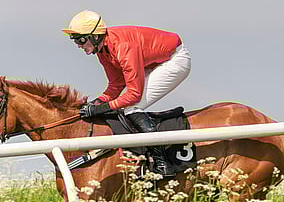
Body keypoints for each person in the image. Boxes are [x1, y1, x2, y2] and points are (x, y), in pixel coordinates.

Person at [62, 10, 191, 175]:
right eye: (76, 41)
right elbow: (115, 85)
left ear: (95, 36)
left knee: (131, 107)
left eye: (81, 40)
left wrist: (103, 108)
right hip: (155, 62)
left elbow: (133, 95)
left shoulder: (122, 47)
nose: (79, 45)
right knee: (122, 104)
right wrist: (96, 103)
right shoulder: (103, 51)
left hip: (175, 60)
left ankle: (163, 162)